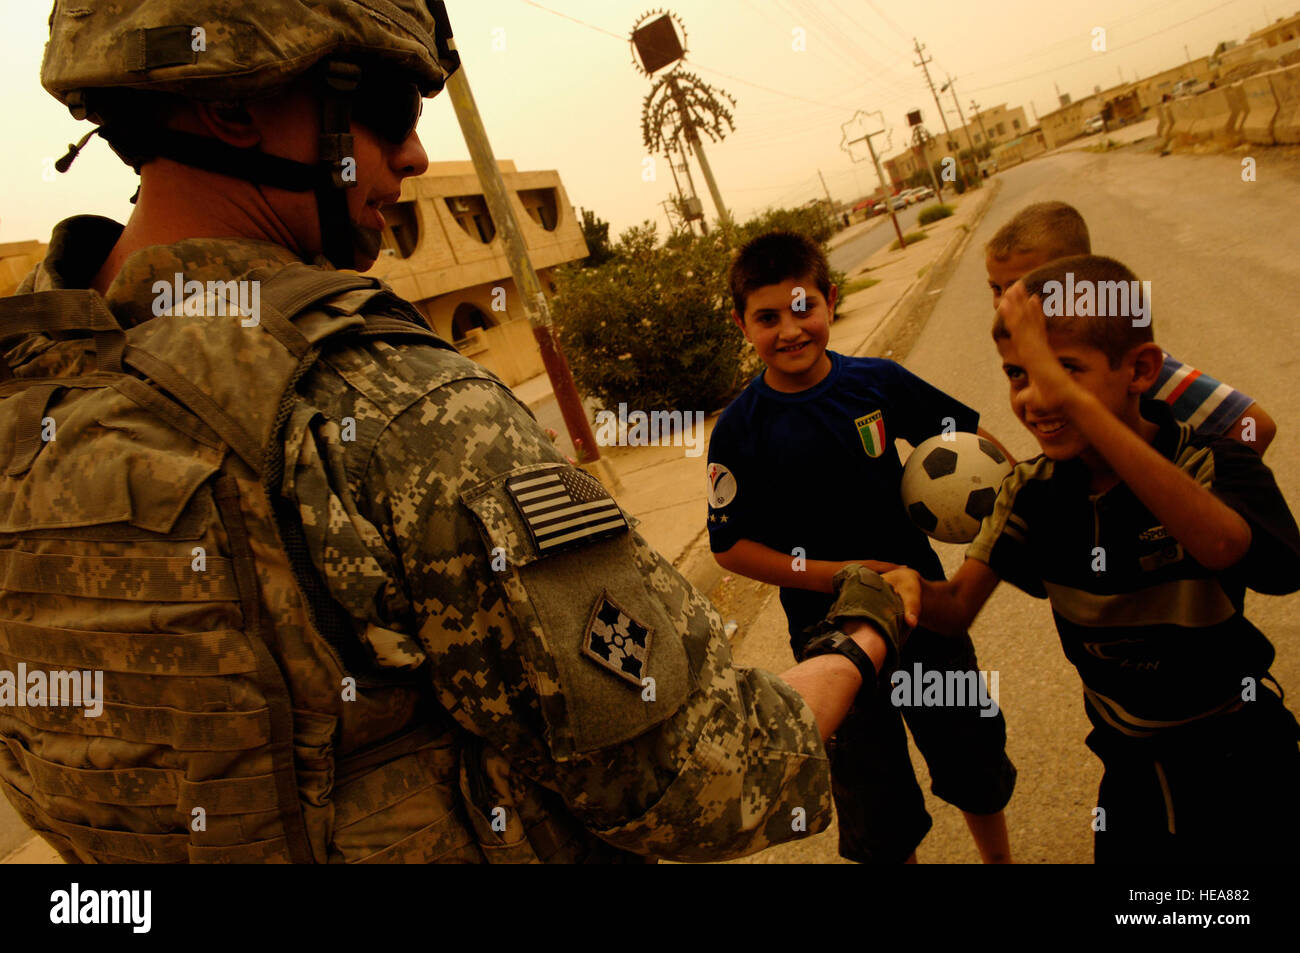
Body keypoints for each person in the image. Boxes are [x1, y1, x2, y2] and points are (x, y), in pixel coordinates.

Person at [0, 0, 908, 864]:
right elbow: (699, 777)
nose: (416, 155)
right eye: (388, 112)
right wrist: (860, 629)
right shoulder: (399, 409)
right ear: (232, 106)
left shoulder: (25, 406)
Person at [886, 254, 1300, 863]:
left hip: (1241, 758)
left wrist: (1080, 409)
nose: (1034, 396)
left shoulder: (1208, 462)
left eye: (1063, 372)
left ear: (1141, 370)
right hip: (1129, 770)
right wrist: (887, 583)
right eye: (1017, 374)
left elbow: (1225, 547)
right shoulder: (1031, 493)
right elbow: (955, 610)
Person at [706, 231, 1017, 864]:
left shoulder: (877, 384)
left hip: (922, 613)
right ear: (743, 325)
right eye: (767, 318)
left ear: (830, 300)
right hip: (831, 643)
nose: (790, 330)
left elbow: (973, 442)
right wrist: (834, 575)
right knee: (876, 799)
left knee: (971, 754)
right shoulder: (740, 430)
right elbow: (730, 546)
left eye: (803, 308)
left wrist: (1011, 485)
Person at [984, 201, 1276, 453]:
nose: (1003, 303)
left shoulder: (1123, 362)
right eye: (996, 288)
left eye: (1020, 287)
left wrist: (1213, 496)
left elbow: (1254, 425)